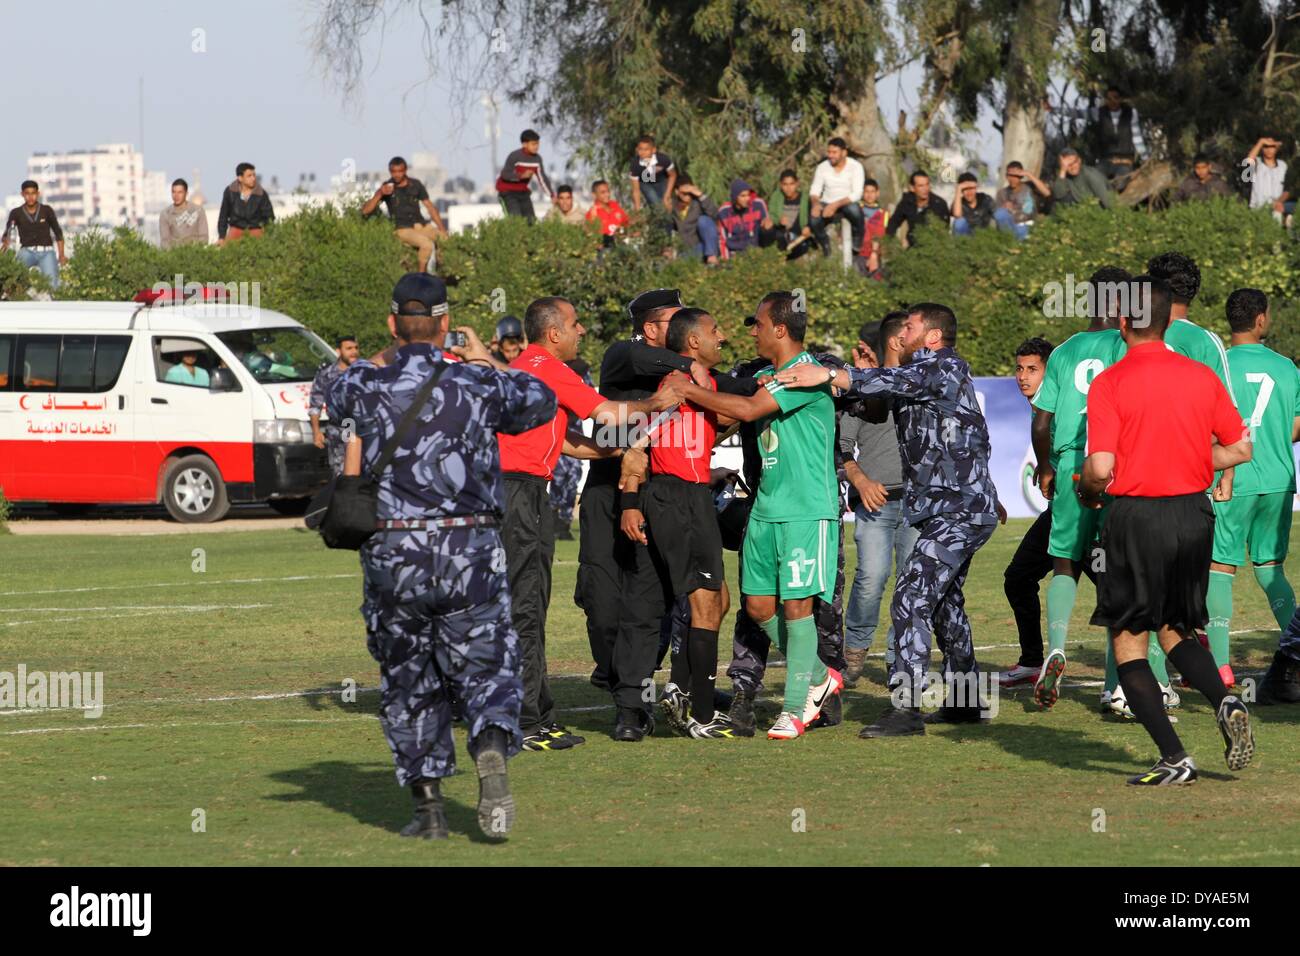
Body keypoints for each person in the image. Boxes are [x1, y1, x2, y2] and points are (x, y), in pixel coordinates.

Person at [327, 272, 557, 838]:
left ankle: (428, 811)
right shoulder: (476, 384)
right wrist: (482, 360)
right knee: (486, 667)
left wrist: (397, 350)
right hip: (469, 548)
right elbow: (542, 400)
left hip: (395, 550)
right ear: (447, 325)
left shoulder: (364, 382)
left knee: (409, 678)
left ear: (391, 325)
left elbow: (333, 395)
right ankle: (492, 750)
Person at [778, 303, 1005, 737]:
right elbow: (880, 397)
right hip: (953, 508)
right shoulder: (917, 374)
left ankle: (905, 710)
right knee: (944, 604)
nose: (904, 331)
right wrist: (847, 377)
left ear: (933, 336)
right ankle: (967, 700)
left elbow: (895, 380)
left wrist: (830, 375)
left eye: (912, 326)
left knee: (911, 595)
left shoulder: (943, 366)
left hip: (959, 509)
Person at [1078, 275, 1255, 786]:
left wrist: (1090, 487)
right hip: (1193, 515)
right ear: (1166, 320)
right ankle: (1225, 701)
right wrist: (1195, 462)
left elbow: (1101, 464)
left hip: (1137, 517)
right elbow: (1240, 449)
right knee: (1176, 627)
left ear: (1122, 322)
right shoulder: (1200, 375)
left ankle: (1175, 757)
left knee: (1129, 641)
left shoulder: (1111, 382)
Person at [495, 296, 677, 752]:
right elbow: (606, 413)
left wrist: (619, 452)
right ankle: (530, 721)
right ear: (553, 333)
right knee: (527, 607)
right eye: (575, 325)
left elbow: (572, 440)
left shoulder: (527, 365)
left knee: (523, 604)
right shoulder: (549, 366)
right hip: (520, 493)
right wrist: (659, 400)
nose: (582, 332)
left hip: (513, 492)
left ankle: (529, 712)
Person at [664, 292, 844, 740]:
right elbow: (731, 413)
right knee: (758, 606)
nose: (752, 331)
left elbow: (745, 409)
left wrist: (687, 387)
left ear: (781, 329)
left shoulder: (805, 376)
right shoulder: (764, 375)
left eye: (759, 323)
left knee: (797, 607)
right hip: (765, 509)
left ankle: (795, 707)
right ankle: (820, 676)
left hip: (806, 511)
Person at [579, 288, 749, 741]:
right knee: (609, 600)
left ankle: (672, 692)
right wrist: (688, 366)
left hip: (657, 492)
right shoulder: (625, 356)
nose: (680, 329)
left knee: (686, 599)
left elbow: (736, 395)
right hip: (610, 490)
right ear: (653, 327)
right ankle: (631, 693)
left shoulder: (692, 375)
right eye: (675, 321)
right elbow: (641, 414)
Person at [622, 308, 736, 738]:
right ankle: (702, 716)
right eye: (714, 330)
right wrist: (632, 498)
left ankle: (680, 690)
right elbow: (636, 448)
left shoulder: (694, 386)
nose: (721, 336)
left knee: (718, 598)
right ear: (692, 344)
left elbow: (717, 423)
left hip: (686, 494)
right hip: (678, 499)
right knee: (705, 603)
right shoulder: (678, 383)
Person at [1026, 267, 1131, 707]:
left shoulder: (1066, 349)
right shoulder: (1127, 347)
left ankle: (1056, 648)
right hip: (1115, 466)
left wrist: (1047, 466)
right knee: (1117, 570)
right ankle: (1116, 682)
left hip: (1070, 464)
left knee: (1065, 562)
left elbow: (1042, 419)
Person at [1206, 289, 1300, 692]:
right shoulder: (1286, 367)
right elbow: (1295, 425)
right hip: (1278, 481)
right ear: (1261, 319)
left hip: (1232, 478)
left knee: (1220, 568)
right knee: (1270, 569)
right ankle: (1297, 656)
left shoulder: (1216, 364)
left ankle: (1221, 667)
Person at [841, 313, 919, 686]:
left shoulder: (924, 381)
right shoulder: (866, 385)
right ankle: (854, 651)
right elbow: (840, 447)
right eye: (909, 332)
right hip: (875, 500)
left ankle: (898, 658)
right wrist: (859, 479)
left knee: (911, 581)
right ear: (895, 341)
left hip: (919, 502)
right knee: (871, 576)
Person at [998, 336, 1058, 690]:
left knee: (1120, 592)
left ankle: (1177, 649)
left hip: (1087, 512)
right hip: (1061, 512)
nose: (1023, 376)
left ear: (1050, 373)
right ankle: (1032, 662)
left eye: (1032, 369)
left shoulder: (1061, 405)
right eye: (1019, 369)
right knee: (1018, 578)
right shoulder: (1038, 406)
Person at [361, 156, 448, 272]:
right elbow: (365, 210)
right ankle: (421, 278)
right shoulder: (386, 187)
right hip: (402, 229)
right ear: (390, 171)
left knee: (446, 240)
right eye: (393, 172)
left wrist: (442, 229)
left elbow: (431, 208)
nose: (397, 175)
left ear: (405, 170)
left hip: (420, 226)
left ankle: (443, 271)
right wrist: (379, 194)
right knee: (427, 244)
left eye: (400, 171)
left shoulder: (416, 185)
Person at [549, 357, 593, 539]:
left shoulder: (581, 368)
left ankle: (564, 523)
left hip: (574, 430)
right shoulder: (551, 366)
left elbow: (589, 395)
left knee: (573, 477)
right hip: (556, 429)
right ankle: (552, 516)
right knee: (558, 478)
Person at [309, 335, 361, 475]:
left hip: (362, 429)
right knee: (341, 473)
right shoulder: (327, 374)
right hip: (340, 427)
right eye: (349, 348)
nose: (353, 352)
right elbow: (315, 403)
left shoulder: (365, 371)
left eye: (356, 348)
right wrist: (316, 431)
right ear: (338, 351)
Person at [809, 137, 867, 256]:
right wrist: (815, 204)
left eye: (834, 152)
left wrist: (835, 205)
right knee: (813, 219)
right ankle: (824, 243)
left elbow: (857, 194)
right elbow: (815, 190)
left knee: (855, 210)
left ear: (844, 153)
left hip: (846, 203)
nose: (830, 155)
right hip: (827, 202)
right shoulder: (822, 167)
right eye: (829, 152)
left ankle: (857, 237)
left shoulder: (856, 166)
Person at [2, 181, 66, 288]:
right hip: (27, 251)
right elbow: (7, 232)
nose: (30, 197)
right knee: (13, 277)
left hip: (46, 252)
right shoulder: (16, 213)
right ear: (22, 194)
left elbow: (58, 233)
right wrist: (5, 242)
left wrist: (61, 255)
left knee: (53, 285)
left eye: (33, 193)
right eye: (27, 193)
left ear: (38, 194)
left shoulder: (47, 210)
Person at [1086, 86, 1147, 183]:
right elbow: (1077, 113)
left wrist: (1145, 158)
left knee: (1120, 183)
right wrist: (1054, 109)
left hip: (1125, 161)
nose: (1113, 101)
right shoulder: (1099, 112)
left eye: (1116, 97)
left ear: (1121, 99)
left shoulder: (1131, 112)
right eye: (1109, 99)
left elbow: (1137, 137)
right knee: (1095, 180)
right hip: (1105, 161)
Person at [496, 129, 554, 220]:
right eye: (533, 144)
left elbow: (542, 178)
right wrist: (521, 176)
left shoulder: (537, 159)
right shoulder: (515, 156)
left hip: (523, 192)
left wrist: (552, 195)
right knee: (515, 218)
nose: (536, 147)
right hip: (508, 192)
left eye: (537, 144)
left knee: (531, 220)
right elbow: (505, 174)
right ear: (524, 144)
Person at [885, 171, 950, 248]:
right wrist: (890, 242)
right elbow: (894, 222)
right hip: (912, 246)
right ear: (912, 188)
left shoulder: (939, 204)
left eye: (927, 184)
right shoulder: (907, 201)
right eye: (921, 186)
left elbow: (943, 231)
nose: (925, 189)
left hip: (933, 247)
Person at [217, 163, 275, 243]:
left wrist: (267, 235)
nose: (253, 178)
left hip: (256, 229)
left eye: (254, 175)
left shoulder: (261, 193)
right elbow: (223, 216)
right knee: (226, 250)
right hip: (236, 229)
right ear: (240, 178)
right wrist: (221, 237)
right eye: (249, 176)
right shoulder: (230, 192)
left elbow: (269, 217)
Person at [715, 180, 774, 257]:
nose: (747, 198)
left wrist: (767, 224)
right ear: (735, 197)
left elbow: (766, 222)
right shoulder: (724, 212)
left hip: (755, 249)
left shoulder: (758, 204)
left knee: (768, 230)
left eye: (748, 195)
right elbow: (722, 239)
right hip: (735, 253)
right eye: (743, 196)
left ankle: (769, 255)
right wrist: (726, 260)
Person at [670, 175, 720, 262]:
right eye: (685, 193)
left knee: (704, 219)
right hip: (686, 251)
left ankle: (711, 257)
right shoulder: (673, 207)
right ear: (677, 191)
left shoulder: (698, 203)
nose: (688, 196)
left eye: (690, 193)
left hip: (703, 247)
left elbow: (714, 214)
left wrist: (700, 194)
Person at [994, 162, 1050, 240]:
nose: (1013, 179)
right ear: (1006, 176)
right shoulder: (1002, 193)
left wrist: (1029, 175)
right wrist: (1005, 208)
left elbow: (1047, 193)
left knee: (1022, 229)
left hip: (1029, 225)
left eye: (1016, 176)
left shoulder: (1029, 186)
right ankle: (1008, 240)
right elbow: (998, 216)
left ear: (1021, 176)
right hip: (1012, 227)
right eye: (1010, 175)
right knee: (1000, 213)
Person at [1243, 136, 1291, 222]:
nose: (1269, 150)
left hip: (1277, 207)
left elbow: (1287, 190)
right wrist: (1260, 142)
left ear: (1276, 149)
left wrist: (1279, 202)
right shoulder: (1257, 163)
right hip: (1258, 209)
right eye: (1266, 146)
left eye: (1272, 147)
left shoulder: (1283, 165)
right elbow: (1247, 164)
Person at [628, 135, 676, 212]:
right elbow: (635, 190)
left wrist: (668, 194)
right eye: (640, 149)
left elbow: (672, 176)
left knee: (667, 203)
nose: (642, 152)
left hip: (661, 180)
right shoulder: (635, 165)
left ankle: (672, 221)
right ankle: (659, 219)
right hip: (645, 183)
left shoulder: (663, 159)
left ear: (653, 150)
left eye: (646, 150)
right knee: (655, 202)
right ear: (637, 149)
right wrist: (637, 209)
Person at [159, 178, 209, 249]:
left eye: (180, 192)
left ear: (186, 193)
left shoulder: (198, 211)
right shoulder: (165, 214)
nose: (176, 195)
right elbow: (165, 241)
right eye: (173, 192)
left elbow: (204, 237)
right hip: (174, 255)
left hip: (196, 253)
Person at [855, 179, 889, 273]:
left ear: (877, 193)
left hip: (876, 256)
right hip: (858, 254)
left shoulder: (884, 214)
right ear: (862, 193)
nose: (869, 195)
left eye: (872, 191)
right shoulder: (856, 209)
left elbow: (883, 236)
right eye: (866, 191)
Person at [585, 179, 629, 247]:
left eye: (608, 191)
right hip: (606, 249)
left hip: (623, 244)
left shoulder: (615, 205)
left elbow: (626, 223)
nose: (607, 194)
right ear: (594, 195)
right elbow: (590, 236)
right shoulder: (592, 213)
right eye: (603, 192)